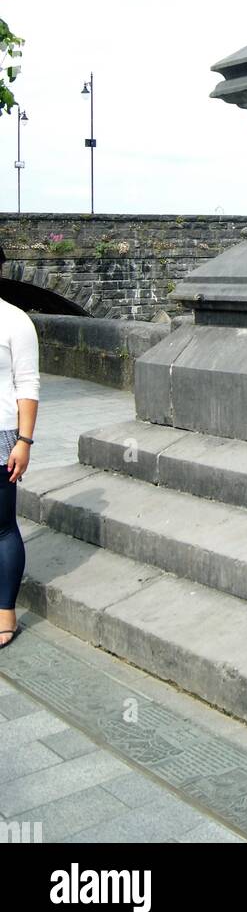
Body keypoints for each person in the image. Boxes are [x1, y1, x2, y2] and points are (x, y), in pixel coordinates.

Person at [0, 246, 40, 648]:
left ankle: (5, 613)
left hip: (1, 435)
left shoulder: (15, 321)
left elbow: (27, 385)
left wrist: (24, 441)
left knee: (2, 527)